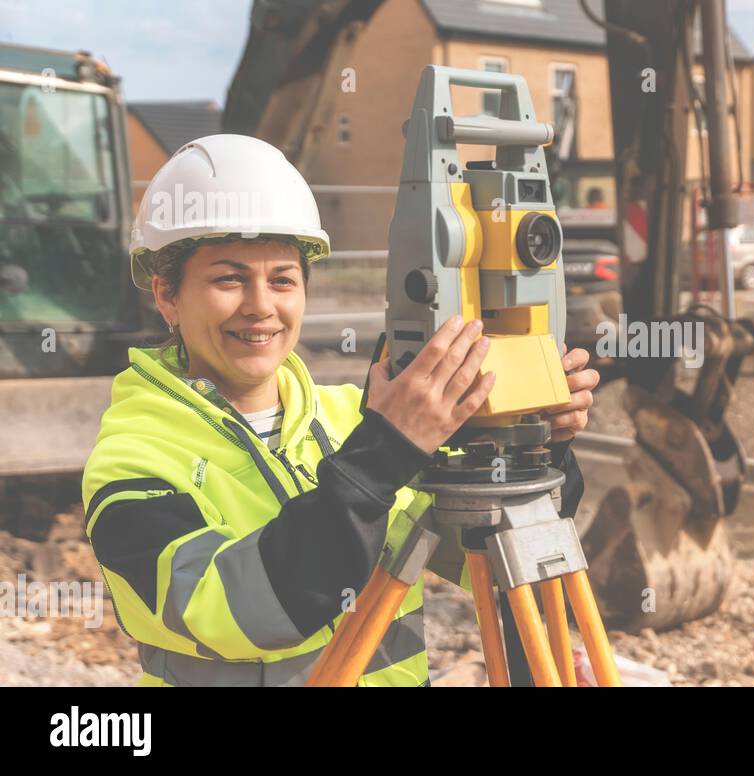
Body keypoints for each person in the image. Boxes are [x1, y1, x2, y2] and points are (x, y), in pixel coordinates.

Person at [80, 134, 598, 686]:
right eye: (228, 278)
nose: (261, 307)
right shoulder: (131, 463)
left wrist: (533, 447)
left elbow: (497, 563)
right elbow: (242, 612)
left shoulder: (354, 420)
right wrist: (383, 455)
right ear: (166, 295)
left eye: (282, 279)